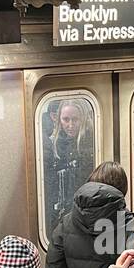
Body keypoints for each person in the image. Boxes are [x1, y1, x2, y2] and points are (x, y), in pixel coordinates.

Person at [44, 98, 96, 230]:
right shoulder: (54, 144)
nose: (70, 125)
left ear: (83, 119)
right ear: (58, 119)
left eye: (75, 119)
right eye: (66, 119)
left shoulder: (92, 143)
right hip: (61, 206)